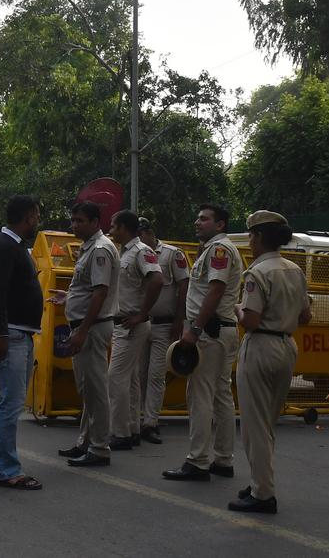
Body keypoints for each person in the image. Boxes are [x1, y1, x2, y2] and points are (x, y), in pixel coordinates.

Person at [228, 210, 310, 514]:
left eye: (250, 236)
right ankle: (259, 483)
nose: (249, 242)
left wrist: (237, 309)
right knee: (268, 422)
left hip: (260, 344)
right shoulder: (294, 270)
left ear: (259, 237)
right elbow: (306, 316)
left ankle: (263, 493)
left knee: (254, 425)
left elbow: (250, 320)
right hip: (287, 345)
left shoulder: (257, 273)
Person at [164, 203, 244, 482]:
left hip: (209, 332)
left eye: (204, 219)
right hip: (222, 330)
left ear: (220, 224)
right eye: (197, 218)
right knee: (221, 394)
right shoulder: (216, 249)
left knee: (200, 395)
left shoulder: (219, 250)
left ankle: (197, 461)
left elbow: (216, 289)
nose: (197, 222)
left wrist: (195, 329)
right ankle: (223, 459)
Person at [0, 195, 44, 490]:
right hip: (11, 335)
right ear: (27, 216)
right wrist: (0, 334)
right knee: (13, 403)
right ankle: (8, 469)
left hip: (20, 333)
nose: (38, 220)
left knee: (9, 401)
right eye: (36, 215)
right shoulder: (5, 247)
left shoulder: (15, 245)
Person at [49, 201, 118, 467]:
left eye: (79, 220)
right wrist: (68, 297)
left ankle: (99, 448)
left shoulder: (100, 249)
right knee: (87, 389)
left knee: (96, 389)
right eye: (73, 220)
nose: (74, 225)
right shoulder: (90, 247)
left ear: (94, 222)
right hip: (84, 326)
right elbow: (89, 289)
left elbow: (100, 292)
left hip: (92, 328)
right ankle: (86, 442)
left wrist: (83, 331)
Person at [106, 210, 163, 450]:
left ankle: (120, 433)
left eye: (113, 225)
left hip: (132, 324)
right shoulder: (125, 252)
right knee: (129, 380)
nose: (110, 229)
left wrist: (142, 314)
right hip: (124, 323)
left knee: (115, 377)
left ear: (123, 228)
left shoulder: (142, 251)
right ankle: (131, 429)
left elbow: (157, 280)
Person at [136, 217, 189, 445]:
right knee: (139, 374)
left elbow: (184, 286)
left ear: (149, 232)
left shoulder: (171, 254)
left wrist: (180, 318)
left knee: (156, 375)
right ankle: (136, 420)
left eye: (140, 234)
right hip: (140, 323)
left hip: (164, 323)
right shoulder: (133, 253)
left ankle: (150, 423)